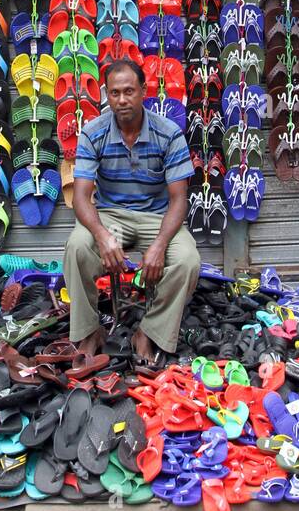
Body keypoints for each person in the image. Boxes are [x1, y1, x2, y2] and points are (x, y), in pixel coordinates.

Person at [63, 58, 201, 368]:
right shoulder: (92, 132)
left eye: (129, 91)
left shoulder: (169, 133)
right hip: (112, 215)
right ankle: (89, 332)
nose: (122, 100)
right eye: (114, 93)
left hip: (157, 218)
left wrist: (160, 244)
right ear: (106, 95)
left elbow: (179, 199)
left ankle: (149, 332)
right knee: (77, 247)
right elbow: (81, 198)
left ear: (143, 91)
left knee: (187, 259)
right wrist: (102, 236)